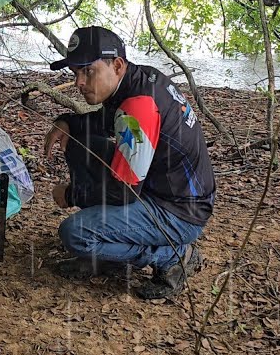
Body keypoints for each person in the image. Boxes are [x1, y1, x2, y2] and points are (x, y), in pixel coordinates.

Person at [43, 26, 215, 300]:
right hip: (162, 187)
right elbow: (102, 122)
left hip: (178, 210)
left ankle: (174, 255)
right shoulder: (137, 79)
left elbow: (122, 192)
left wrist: (72, 194)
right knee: (78, 138)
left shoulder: (138, 107)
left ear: (117, 65)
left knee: (74, 234)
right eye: (76, 73)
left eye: (88, 71)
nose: (79, 82)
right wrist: (68, 122)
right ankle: (107, 251)